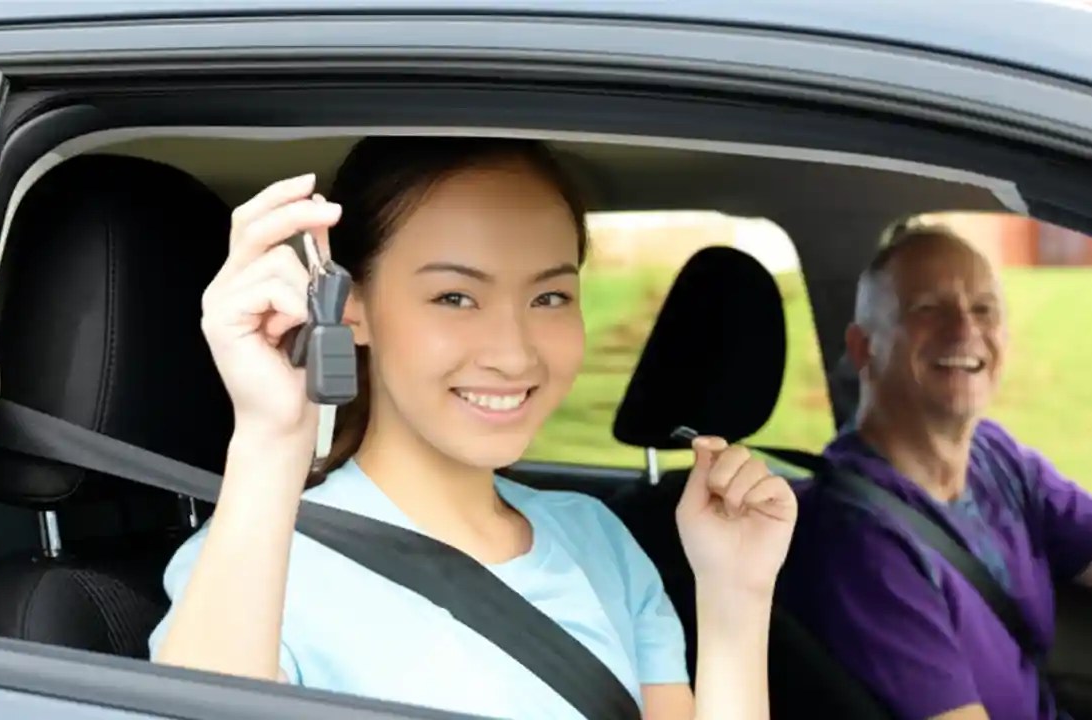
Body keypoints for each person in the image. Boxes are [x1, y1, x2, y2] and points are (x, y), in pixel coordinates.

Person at [148, 136, 797, 720]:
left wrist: (734, 596)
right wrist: (272, 435)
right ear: (350, 310)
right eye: (455, 297)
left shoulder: (600, 542)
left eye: (549, 297)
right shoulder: (255, 561)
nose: (514, 354)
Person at [780, 224, 1092, 720]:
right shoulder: (858, 540)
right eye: (928, 309)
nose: (964, 330)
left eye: (983, 310)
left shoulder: (996, 459)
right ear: (865, 347)